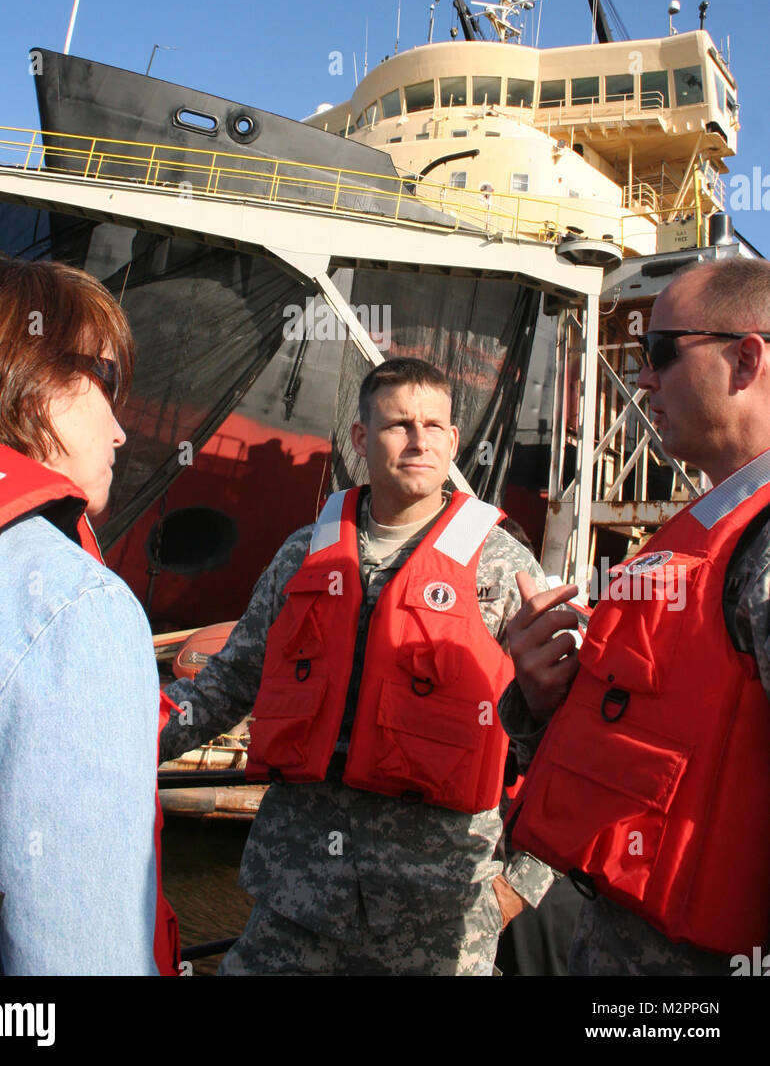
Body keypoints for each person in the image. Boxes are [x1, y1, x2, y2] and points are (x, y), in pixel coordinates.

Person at [161, 356, 552, 975]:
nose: (419, 441)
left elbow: (561, 737)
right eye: (399, 425)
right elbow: (227, 684)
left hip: (438, 915)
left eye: (434, 426)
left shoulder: (503, 568)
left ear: (454, 439)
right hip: (297, 900)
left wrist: (522, 885)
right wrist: (121, 747)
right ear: (362, 439)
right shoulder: (303, 557)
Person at [0, 253, 178, 976]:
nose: (121, 431)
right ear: (26, 377)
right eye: (109, 382)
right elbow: (80, 955)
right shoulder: (65, 602)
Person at [503, 256, 770, 975]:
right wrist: (540, 701)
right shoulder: (709, 527)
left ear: (745, 359)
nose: (643, 378)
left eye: (658, 352)